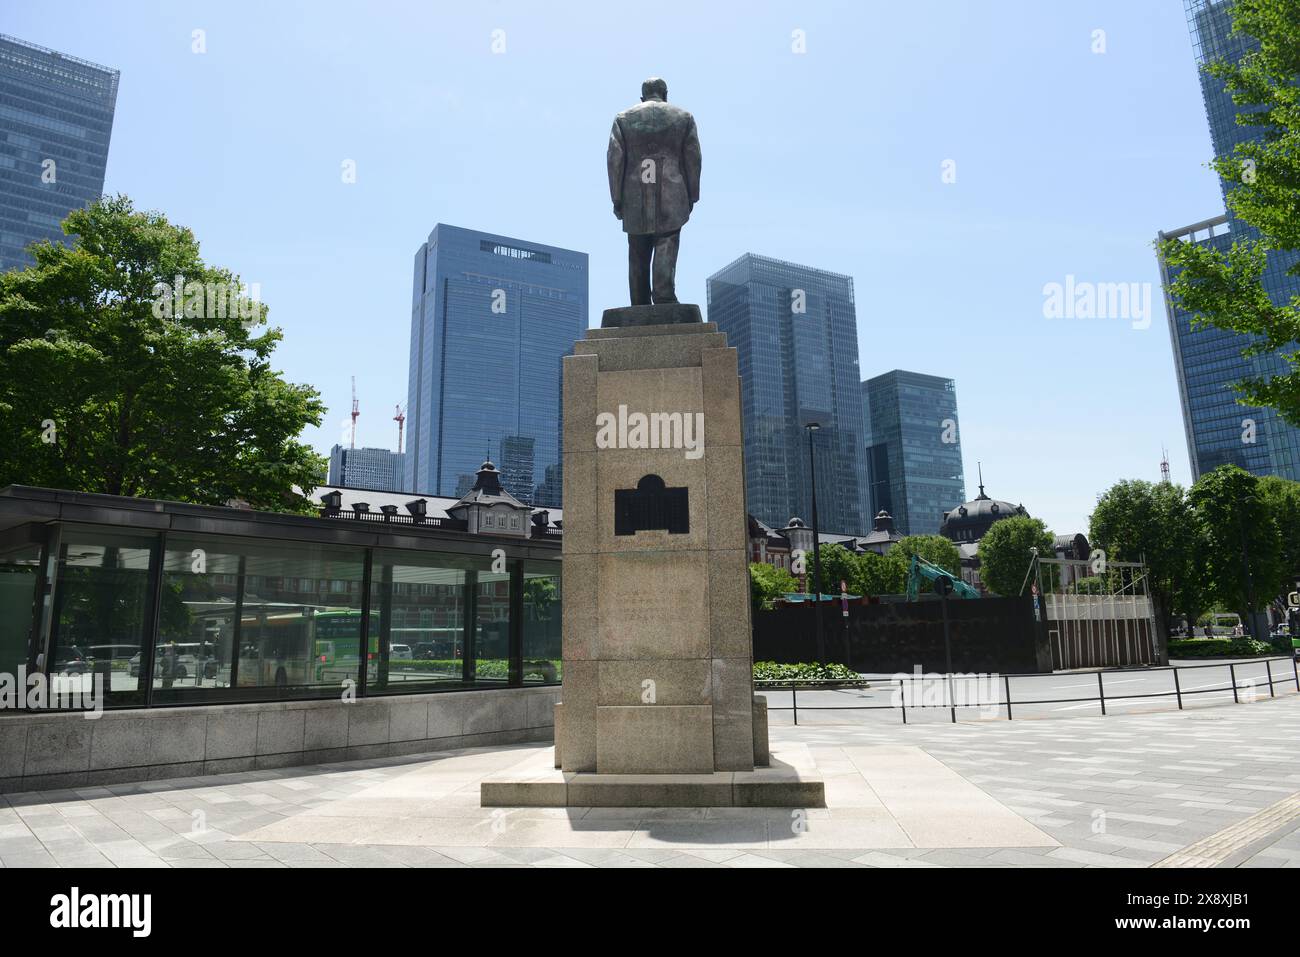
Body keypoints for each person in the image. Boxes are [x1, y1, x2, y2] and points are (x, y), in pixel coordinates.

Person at [606, 77, 702, 306]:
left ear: (642, 97)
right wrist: (692, 193)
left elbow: (614, 159)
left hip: (634, 192)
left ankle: (639, 303)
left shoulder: (622, 119)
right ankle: (664, 296)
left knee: (638, 248)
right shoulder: (684, 118)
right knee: (666, 241)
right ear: (665, 95)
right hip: (672, 191)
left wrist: (617, 197)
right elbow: (693, 158)